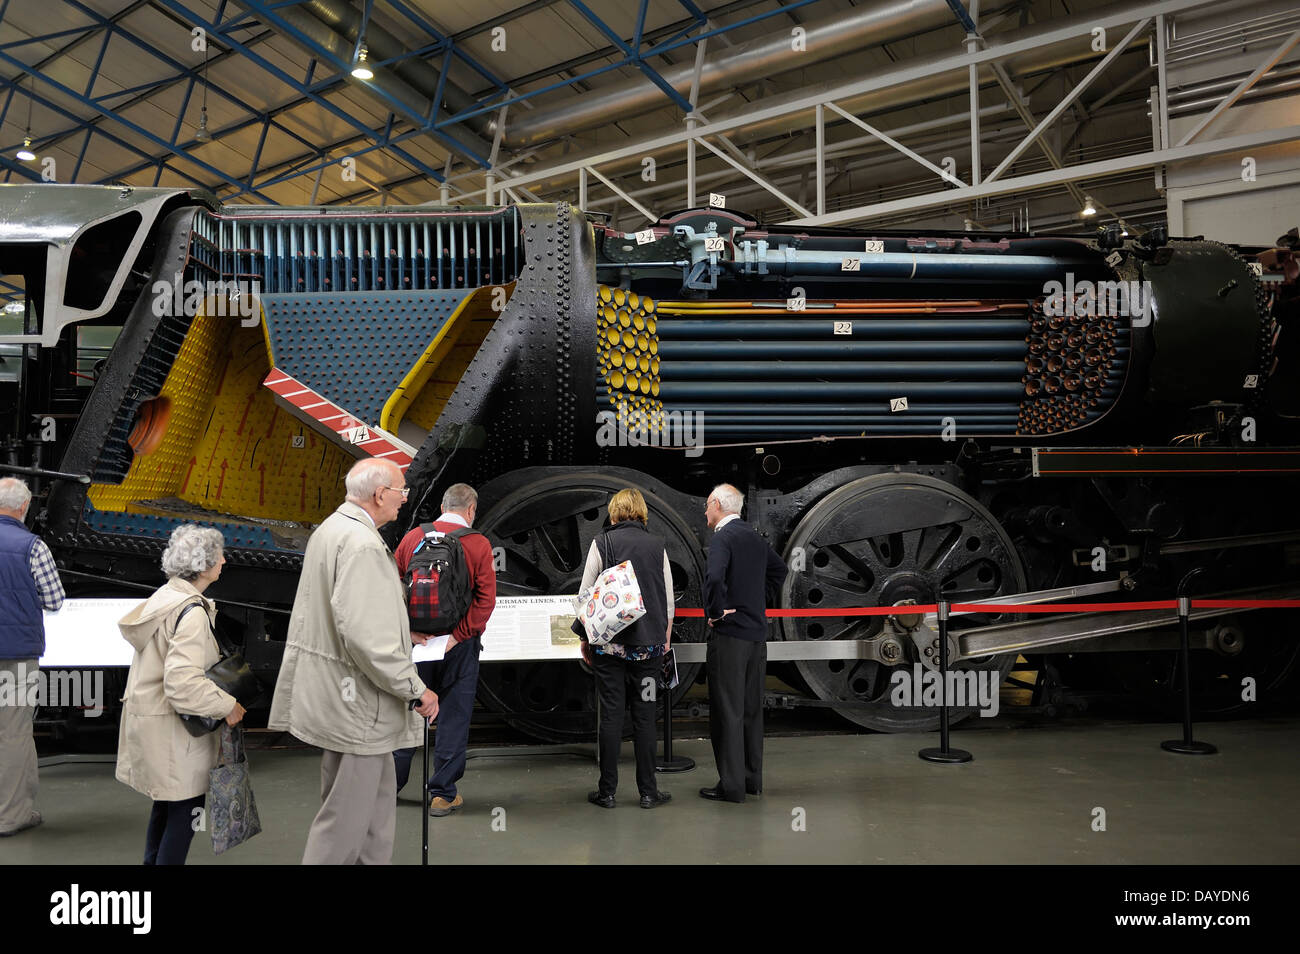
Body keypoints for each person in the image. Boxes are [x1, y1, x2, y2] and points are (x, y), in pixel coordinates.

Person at [269, 458, 438, 864]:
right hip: (361, 708)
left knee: (374, 816)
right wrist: (415, 689)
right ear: (381, 494)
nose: (403, 500)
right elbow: (367, 639)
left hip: (348, 703)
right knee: (344, 823)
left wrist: (402, 632)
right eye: (402, 491)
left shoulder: (333, 530)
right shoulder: (361, 544)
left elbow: (342, 614)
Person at [116, 524, 243, 864]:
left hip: (154, 722)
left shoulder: (165, 597)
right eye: (219, 556)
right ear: (203, 566)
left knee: (167, 805)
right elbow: (182, 683)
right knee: (187, 811)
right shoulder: (192, 613)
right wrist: (227, 704)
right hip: (177, 732)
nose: (225, 561)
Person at [392, 483, 496, 817]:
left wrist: (407, 630)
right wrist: (458, 636)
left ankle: (389, 785)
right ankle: (442, 794)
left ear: (442, 506)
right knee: (453, 714)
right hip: (458, 646)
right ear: (471, 510)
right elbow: (485, 600)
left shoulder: (412, 538)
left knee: (409, 711)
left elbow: (391, 586)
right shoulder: (478, 544)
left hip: (417, 644)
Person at [578, 488, 674, 810]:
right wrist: (665, 638)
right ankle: (648, 792)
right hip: (648, 652)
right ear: (642, 512)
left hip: (610, 650)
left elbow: (585, 596)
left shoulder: (602, 543)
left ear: (614, 513)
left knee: (612, 716)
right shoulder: (657, 545)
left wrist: (585, 639)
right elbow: (669, 602)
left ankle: (607, 792)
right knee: (645, 717)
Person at [700, 483, 787, 803]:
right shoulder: (752, 536)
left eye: (707, 505)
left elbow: (713, 578)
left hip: (731, 637)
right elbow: (780, 570)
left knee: (727, 711)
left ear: (718, 505)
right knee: (751, 711)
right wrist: (757, 601)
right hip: (756, 637)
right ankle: (752, 781)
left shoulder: (723, 537)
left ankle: (732, 787)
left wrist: (715, 611)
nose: (705, 511)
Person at [0, 478, 64, 838]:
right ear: (24, 508)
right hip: (16, 656)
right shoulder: (32, 546)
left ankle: (19, 809)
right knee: (13, 733)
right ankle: (11, 815)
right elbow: (54, 600)